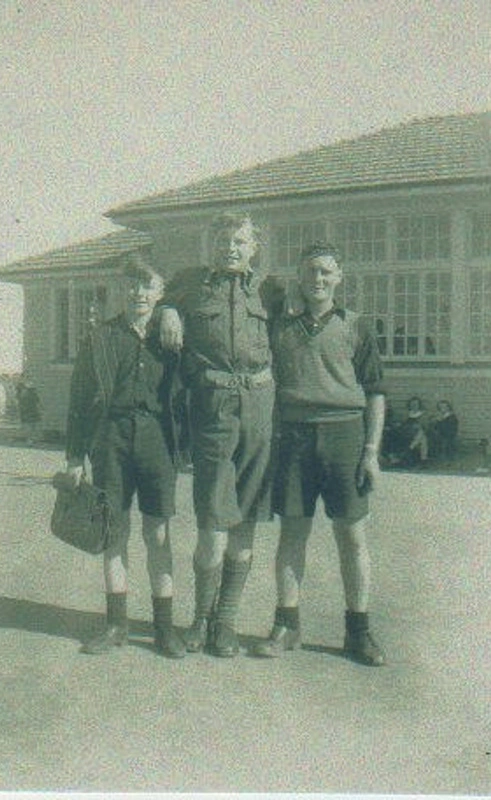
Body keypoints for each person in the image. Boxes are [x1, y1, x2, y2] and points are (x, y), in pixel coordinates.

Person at [252, 241, 386, 666]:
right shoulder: (280, 325)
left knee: (351, 534)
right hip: (294, 436)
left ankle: (358, 631)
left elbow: (376, 392)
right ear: (299, 276)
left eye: (327, 272)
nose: (318, 279)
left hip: (345, 435)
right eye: (310, 271)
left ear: (339, 277)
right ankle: (287, 624)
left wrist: (371, 451)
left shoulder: (357, 325)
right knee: (293, 533)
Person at [159, 211, 278, 658]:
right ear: (212, 245)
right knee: (212, 520)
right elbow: (156, 298)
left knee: (245, 519)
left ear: (254, 248)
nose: (230, 247)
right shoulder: (189, 285)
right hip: (213, 412)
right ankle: (200, 619)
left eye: (240, 240)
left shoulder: (271, 290)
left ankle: (225, 623)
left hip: (261, 409)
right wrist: (168, 310)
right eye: (223, 239)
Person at [65, 253, 186, 658]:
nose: (138, 292)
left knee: (158, 533)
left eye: (147, 285)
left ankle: (164, 629)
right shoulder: (100, 337)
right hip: (110, 440)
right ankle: (116, 624)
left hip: (157, 439)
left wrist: (171, 313)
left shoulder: (170, 336)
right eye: (131, 285)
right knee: (114, 531)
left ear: (160, 292)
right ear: (122, 290)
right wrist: (74, 456)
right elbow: (80, 399)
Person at [397, 396, 429, 467]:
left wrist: (418, 426)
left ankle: (410, 449)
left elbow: (425, 426)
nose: (414, 406)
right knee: (423, 438)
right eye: (412, 404)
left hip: (417, 433)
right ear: (410, 405)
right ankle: (423, 459)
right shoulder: (406, 414)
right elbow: (402, 425)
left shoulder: (423, 414)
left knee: (422, 436)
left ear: (419, 405)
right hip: (407, 433)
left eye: (416, 404)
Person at [16, 379, 42, 443]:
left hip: (27, 411)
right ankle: (31, 438)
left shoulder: (22, 395)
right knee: (32, 425)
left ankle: (30, 438)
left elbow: (20, 404)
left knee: (29, 425)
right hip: (32, 411)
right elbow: (38, 403)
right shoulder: (33, 394)